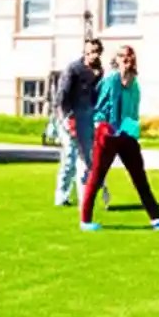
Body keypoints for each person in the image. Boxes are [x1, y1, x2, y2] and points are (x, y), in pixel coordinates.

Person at [79, 45, 159, 232]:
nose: (128, 59)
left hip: (127, 135)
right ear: (117, 59)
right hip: (108, 134)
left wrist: (132, 130)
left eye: (130, 56)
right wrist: (105, 128)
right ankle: (85, 220)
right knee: (97, 175)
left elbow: (133, 112)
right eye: (123, 56)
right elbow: (99, 109)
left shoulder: (134, 84)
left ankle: (157, 220)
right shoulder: (110, 81)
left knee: (140, 177)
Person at [54, 39, 111, 209]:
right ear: (84, 52)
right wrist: (66, 118)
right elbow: (62, 96)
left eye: (96, 51)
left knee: (87, 159)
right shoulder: (73, 69)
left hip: (87, 118)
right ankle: (62, 195)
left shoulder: (99, 71)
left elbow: (97, 96)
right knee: (70, 156)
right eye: (90, 51)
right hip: (68, 117)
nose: (93, 55)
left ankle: (86, 194)